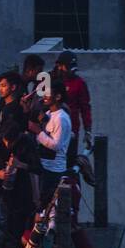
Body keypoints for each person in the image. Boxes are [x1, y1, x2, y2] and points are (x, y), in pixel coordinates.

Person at [0, 114, 39, 248]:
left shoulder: (26, 141)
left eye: (11, 142)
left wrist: (21, 165)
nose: (8, 145)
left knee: (21, 211)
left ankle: (18, 245)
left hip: (20, 179)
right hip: (0, 177)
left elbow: (37, 167)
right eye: (6, 141)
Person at [32, 81, 72, 209]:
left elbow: (57, 145)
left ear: (58, 97)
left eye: (48, 93)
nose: (44, 96)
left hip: (54, 170)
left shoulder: (61, 118)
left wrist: (38, 131)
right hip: (44, 166)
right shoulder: (49, 114)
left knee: (49, 206)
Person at [53, 51, 93, 163]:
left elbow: (85, 108)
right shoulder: (53, 82)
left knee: (69, 161)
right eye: (68, 67)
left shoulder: (79, 83)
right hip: (53, 129)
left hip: (72, 130)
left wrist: (88, 131)